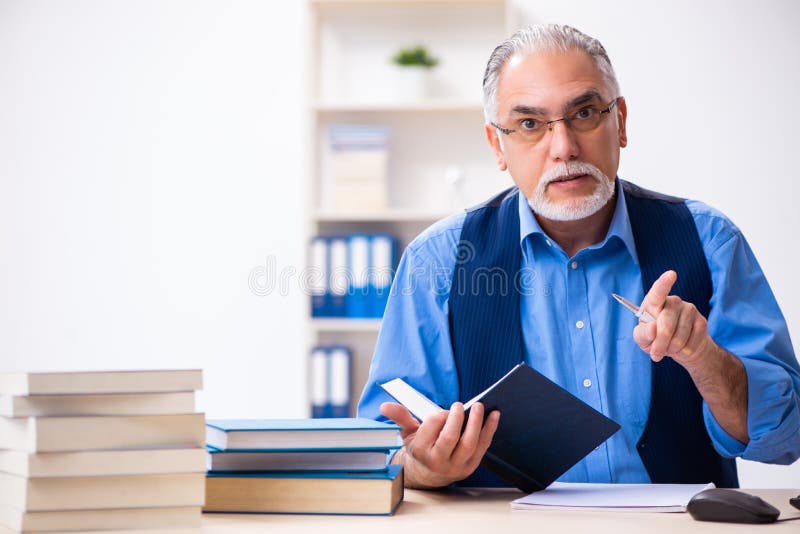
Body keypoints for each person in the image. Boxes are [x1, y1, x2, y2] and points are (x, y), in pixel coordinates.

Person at [357, 24, 800, 490]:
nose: (564, 148)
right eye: (530, 124)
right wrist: (423, 465)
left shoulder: (710, 241)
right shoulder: (437, 262)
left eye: (585, 113)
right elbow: (385, 450)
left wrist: (706, 359)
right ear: (497, 145)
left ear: (621, 122)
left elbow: (785, 439)